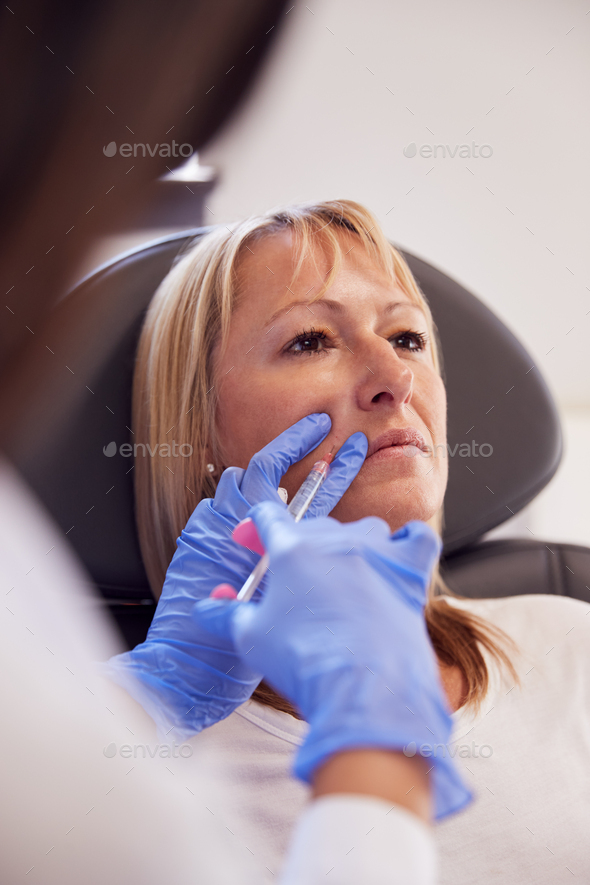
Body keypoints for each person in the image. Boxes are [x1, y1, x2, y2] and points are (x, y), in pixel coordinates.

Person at [104, 199, 590, 882]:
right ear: (198, 437)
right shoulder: (116, 768)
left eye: (408, 337)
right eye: (310, 340)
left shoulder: (572, 645)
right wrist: (135, 709)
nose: (396, 380)